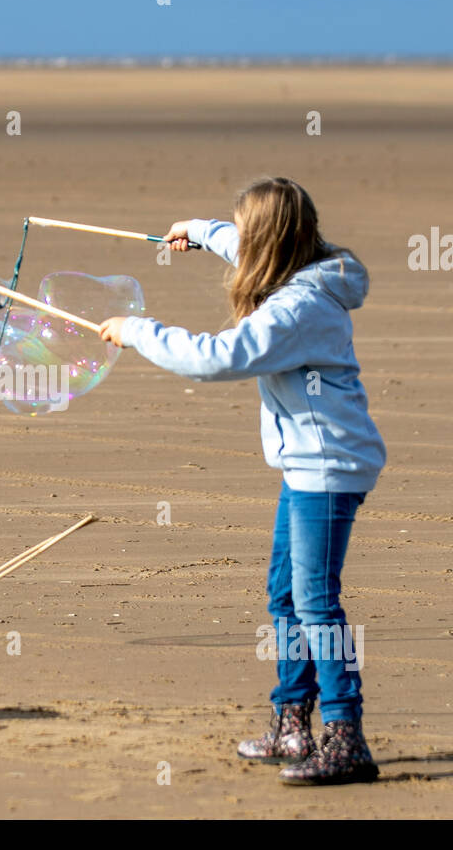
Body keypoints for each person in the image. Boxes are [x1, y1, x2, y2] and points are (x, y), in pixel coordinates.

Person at [99, 177, 385, 785]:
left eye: (246, 235)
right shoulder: (310, 268)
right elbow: (247, 245)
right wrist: (199, 232)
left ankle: (345, 734)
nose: (242, 248)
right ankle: (291, 723)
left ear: (272, 244)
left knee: (315, 602)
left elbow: (215, 358)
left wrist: (136, 330)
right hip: (309, 464)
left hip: (328, 468)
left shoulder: (297, 309)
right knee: (285, 594)